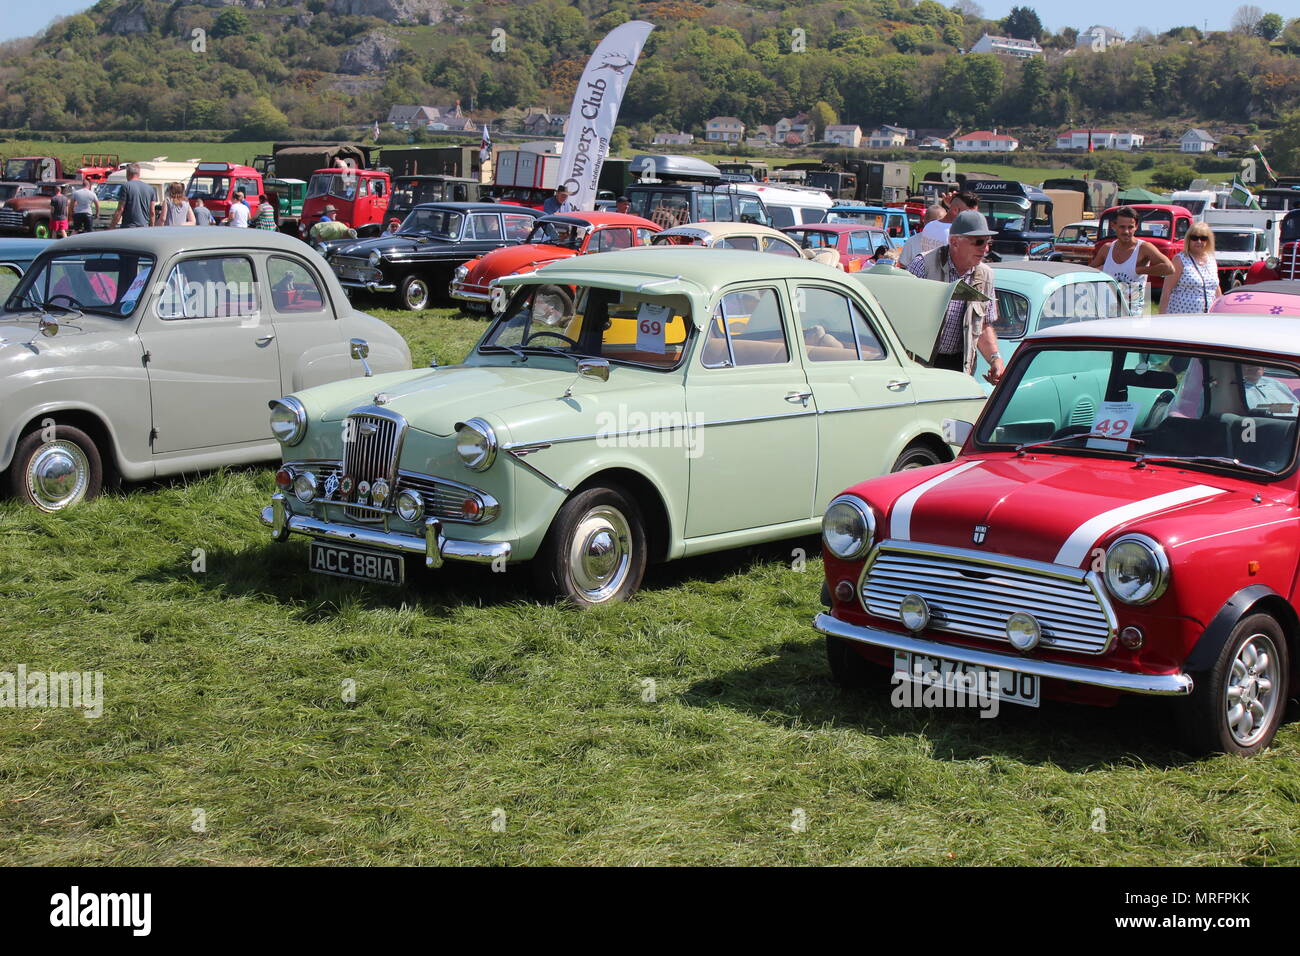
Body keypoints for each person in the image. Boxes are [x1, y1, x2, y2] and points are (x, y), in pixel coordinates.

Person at [907, 210, 1006, 383]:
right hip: (920, 367)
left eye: (989, 242)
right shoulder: (923, 265)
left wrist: (995, 359)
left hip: (960, 368)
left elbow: (983, 326)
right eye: (979, 242)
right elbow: (901, 319)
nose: (986, 248)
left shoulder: (986, 275)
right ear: (954, 242)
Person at [1090, 206, 1173, 316]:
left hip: (1134, 313)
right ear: (1113, 226)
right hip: (1107, 311)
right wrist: (1100, 271)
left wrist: (1140, 270)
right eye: (1122, 227)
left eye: (1130, 227)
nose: (1126, 231)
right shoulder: (1107, 249)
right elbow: (1088, 272)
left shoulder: (1144, 248)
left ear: (1136, 227)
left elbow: (1169, 268)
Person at [1160, 223, 1220, 314]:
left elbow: (1216, 288)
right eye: (1194, 238)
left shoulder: (1211, 259)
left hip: (1207, 316)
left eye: (1203, 238)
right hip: (1182, 315)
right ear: (1188, 239)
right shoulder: (1180, 260)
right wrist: (1161, 315)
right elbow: (1167, 290)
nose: (1199, 241)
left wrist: (1221, 308)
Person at [110, 163, 155, 229]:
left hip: (129, 227)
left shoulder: (125, 186)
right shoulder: (150, 188)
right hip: (144, 227)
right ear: (139, 174)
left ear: (128, 173)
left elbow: (120, 209)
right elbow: (152, 212)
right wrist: (152, 228)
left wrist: (111, 227)